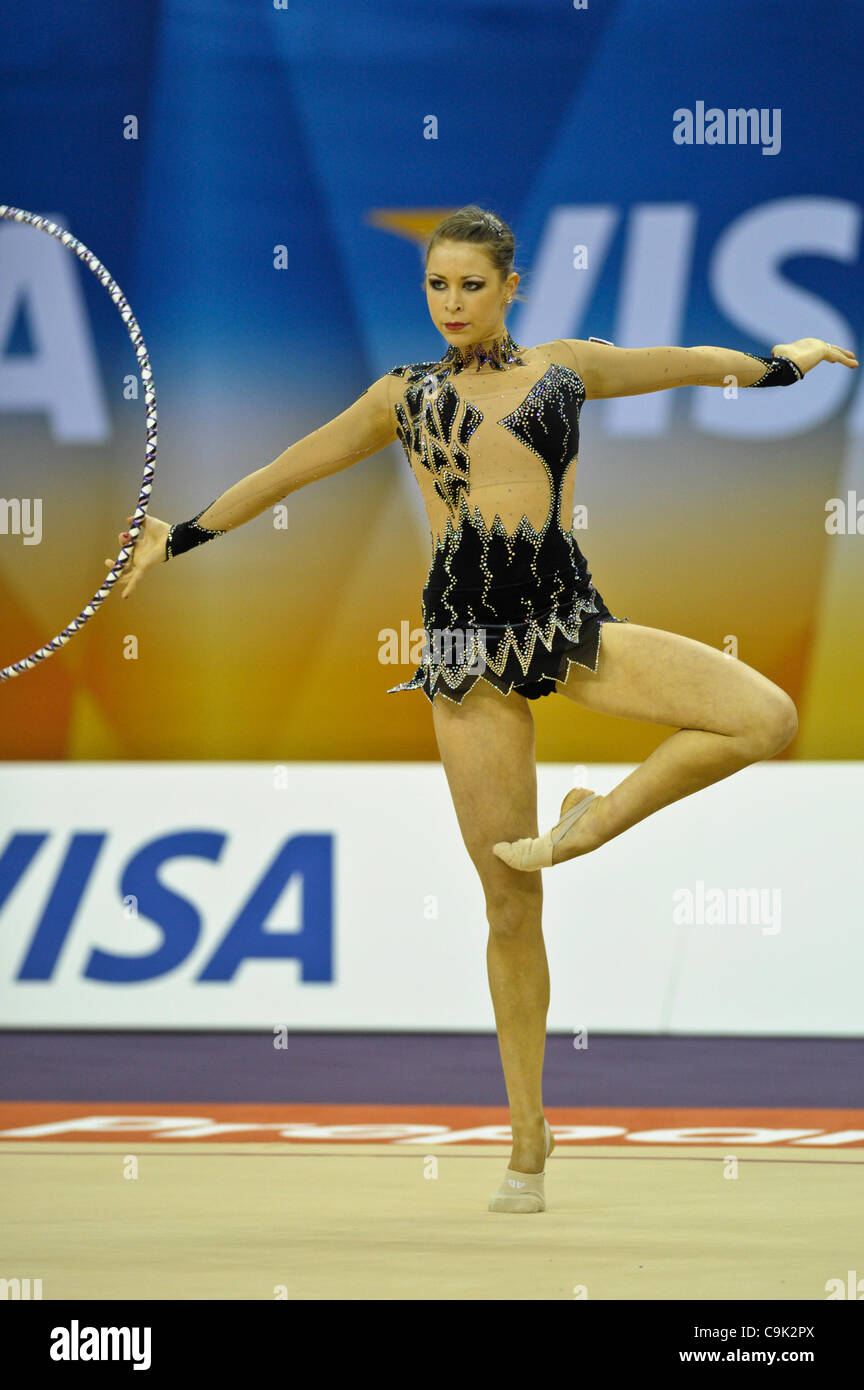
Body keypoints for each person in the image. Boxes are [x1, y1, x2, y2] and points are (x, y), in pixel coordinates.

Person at [107, 204, 858, 1214]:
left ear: (511, 286)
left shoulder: (566, 370)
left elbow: (684, 363)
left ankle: (595, 820)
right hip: (464, 659)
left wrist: (784, 363)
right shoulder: (402, 397)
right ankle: (527, 1133)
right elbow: (291, 468)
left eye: (471, 284)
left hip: (570, 628)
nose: (452, 303)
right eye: (435, 286)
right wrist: (182, 535)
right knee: (509, 901)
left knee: (764, 717)